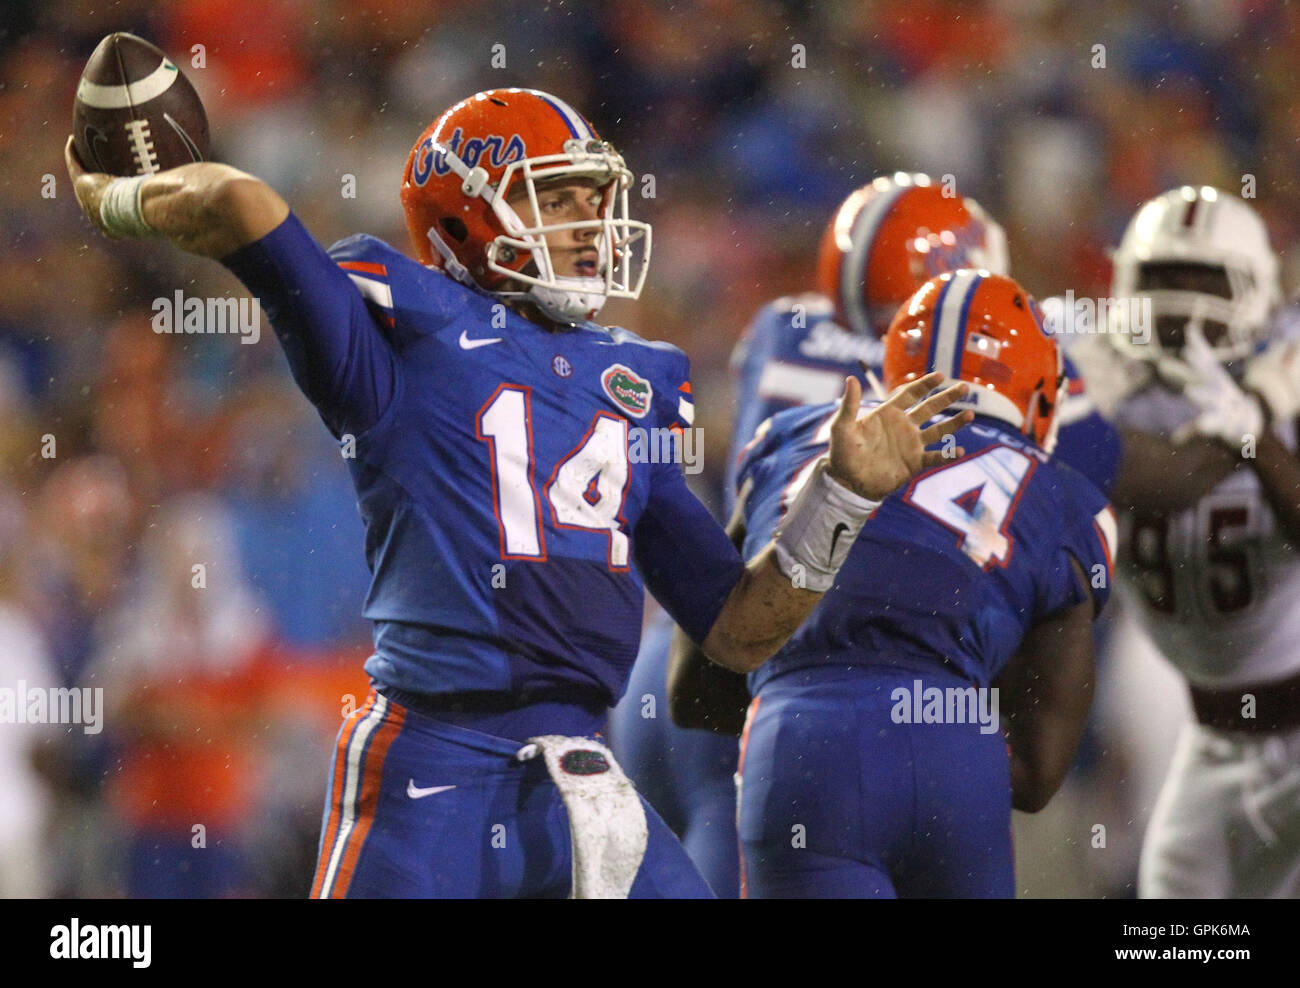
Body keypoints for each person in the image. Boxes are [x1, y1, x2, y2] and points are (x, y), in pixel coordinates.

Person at [65, 87, 970, 898]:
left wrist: (840, 498)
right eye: (558, 195)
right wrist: (114, 199)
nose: (590, 220)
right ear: (464, 217)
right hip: (431, 762)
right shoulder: (402, 331)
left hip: (581, 779)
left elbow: (736, 629)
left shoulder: (635, 374)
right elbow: (239, 202)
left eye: (596, 196)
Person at [674, 270, 1115, 897]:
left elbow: (693, 691)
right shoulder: (1069, 500)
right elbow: (1039, 774)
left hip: (803, 739)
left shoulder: (790, 438)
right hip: (956, 753)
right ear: (1042, 394)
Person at [1081, 186, 1300, 898]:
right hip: (1214, 737)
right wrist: (1247, 424)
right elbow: (1169, 479)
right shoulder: (1101, 381)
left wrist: (1263, 433)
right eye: (1162, 282)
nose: (1184, 308)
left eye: (1206, 282)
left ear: (1261, 291)